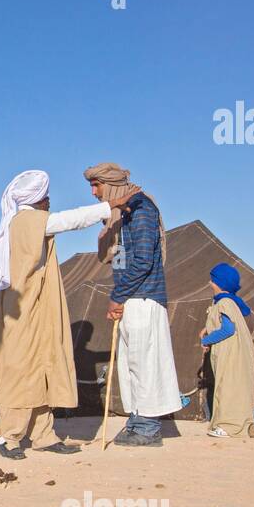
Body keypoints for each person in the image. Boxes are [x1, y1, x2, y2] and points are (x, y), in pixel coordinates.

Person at [0, 170, 110, 458]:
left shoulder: (25, 222)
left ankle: (43, 434)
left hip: (36, 308)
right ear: (35, 198)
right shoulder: (26, 222)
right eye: (45, 195)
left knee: (42, 365)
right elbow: (71, 220)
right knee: (21, 369)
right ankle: (9, 436)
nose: (49, 200)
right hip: (21, 311)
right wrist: (108, 208)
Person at [84, 162, 181, 447]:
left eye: (96, 185)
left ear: (110, 183)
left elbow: (142, 261)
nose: (93, 192)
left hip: (144, 297)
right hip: (130, 298)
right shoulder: (122, 216)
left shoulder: (142, 210)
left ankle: (148, 428)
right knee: (130, 364)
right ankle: (137, 420)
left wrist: (117, 296)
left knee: (144, 362)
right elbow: (120, 261)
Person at [199, 263, 254, 438]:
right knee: (234, 387)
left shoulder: (224, 302)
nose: (210, 283)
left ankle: (229, 426)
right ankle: (236, 425)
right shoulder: (229, 302)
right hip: (234, 352)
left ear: (217, 282)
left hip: (232, 353)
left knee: (229, 388)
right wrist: (206, 329)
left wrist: (206, 340)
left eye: (212, 279)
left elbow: (227, 329)